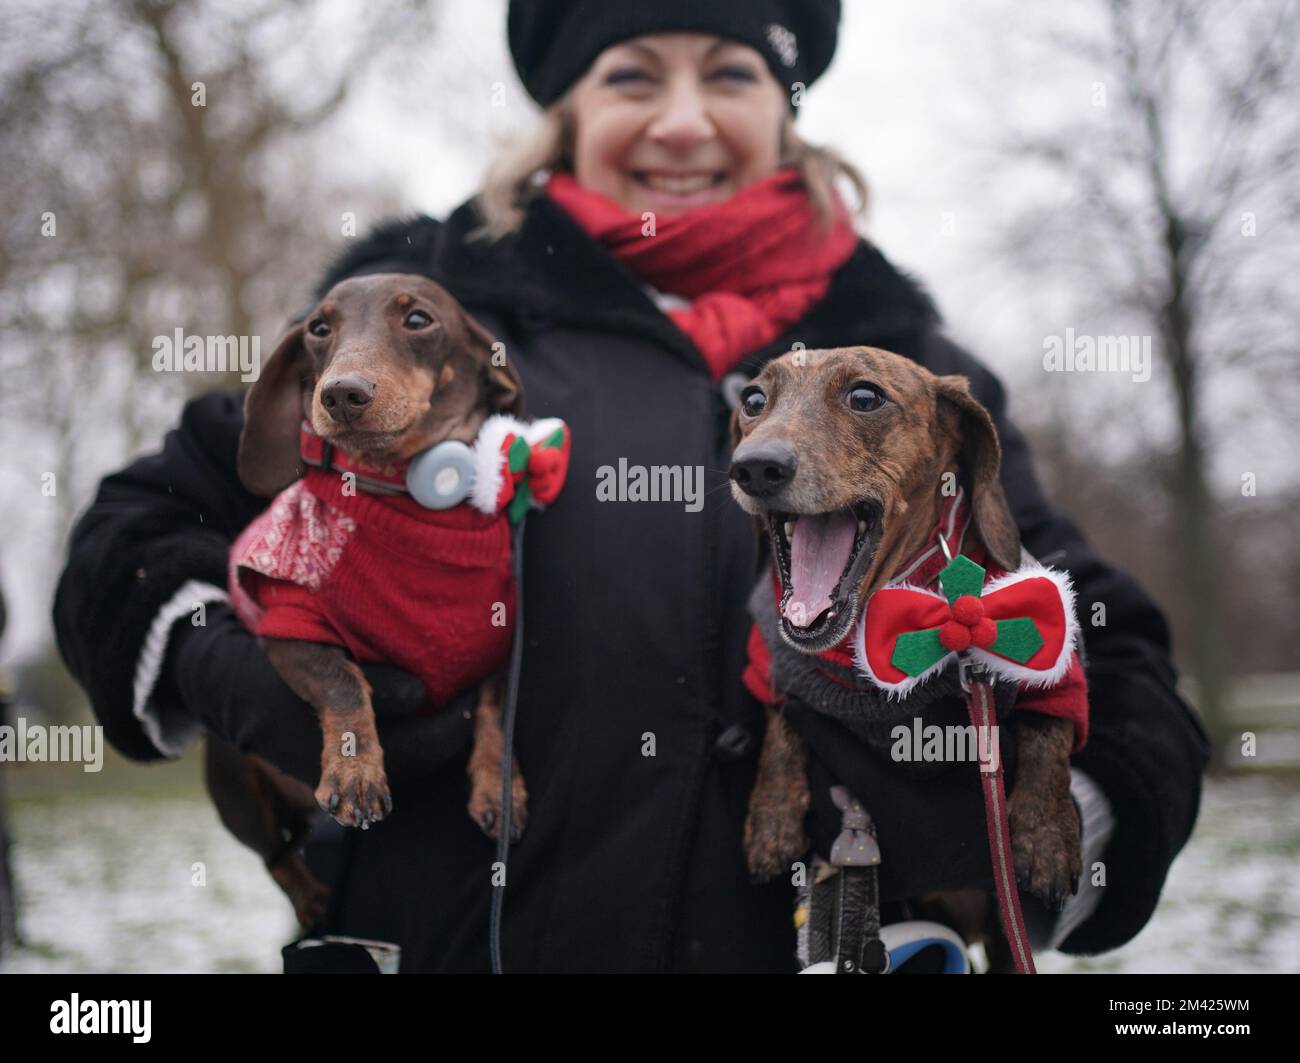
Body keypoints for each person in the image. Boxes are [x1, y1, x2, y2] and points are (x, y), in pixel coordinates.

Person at [52, 0, 1208, 973]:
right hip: (457, 938)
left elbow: (1091, 631)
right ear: (568, 115)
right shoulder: (428, 330)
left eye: (732, 73)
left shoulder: (899, 372)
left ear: (784, 112)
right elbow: (142, 529)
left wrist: (1051, 824)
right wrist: (227, 666)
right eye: (631, 75)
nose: (684, 119)